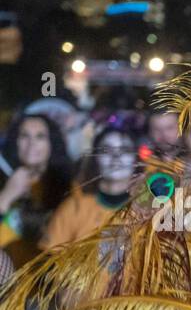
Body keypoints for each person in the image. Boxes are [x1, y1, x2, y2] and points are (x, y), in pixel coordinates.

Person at [42, 124, 139, 250]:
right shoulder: (74, 207)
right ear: (95, 159)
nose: (116, 158)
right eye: (107, 150)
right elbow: (50, 259)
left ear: (135, 159)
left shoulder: (149, 209)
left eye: (125, 150)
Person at [0, 114, 73, 267]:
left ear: (52, 143)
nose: (31, 143)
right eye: (24, 136)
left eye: (40, 137)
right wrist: (7, 196)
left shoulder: (68, 188)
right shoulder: (5, 184)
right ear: (15, 142)